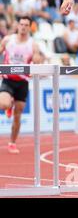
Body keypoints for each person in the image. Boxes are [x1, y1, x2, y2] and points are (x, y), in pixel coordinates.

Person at [0, 16, 40, 154]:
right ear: (17, 26)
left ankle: (12, 142)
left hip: (22, 82)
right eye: (21, 24)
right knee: (4, 104)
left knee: (18, 115)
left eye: (26, 25)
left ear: (30, 27)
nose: (23, 27)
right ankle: (8, 105)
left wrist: (37, 59)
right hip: (8, 79)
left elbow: (37, 60)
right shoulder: (8, 40)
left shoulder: (32, 44)